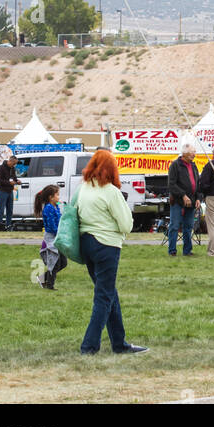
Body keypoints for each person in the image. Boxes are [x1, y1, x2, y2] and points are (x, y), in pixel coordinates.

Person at [76, 148, 147, 354]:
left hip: (86, 243)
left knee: (108, 294)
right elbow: (126, 224)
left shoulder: (84, 188)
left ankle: (119, 343)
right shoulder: (111, 192)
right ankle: (89, 346)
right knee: (104, 297)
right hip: (106, 245)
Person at [167, 141, 200, 258]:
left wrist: (198, 198)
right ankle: (172, 250)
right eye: (192, 152)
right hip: (177, 201)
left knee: (188, 227)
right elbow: (171, 184)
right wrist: (183, 195)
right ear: (185, 153)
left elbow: (197, 183)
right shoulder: (175, 165)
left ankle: (187, 250)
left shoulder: (194, 166)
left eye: (195, 152)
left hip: (191, 201)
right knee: (174, 225)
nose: (194, 154)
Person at [34, 184, 67, 290]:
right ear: (50, 197)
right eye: (57, 195)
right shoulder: (48, 208)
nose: (59, 197)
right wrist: (60, 231)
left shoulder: (56, 206)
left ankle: (42, 277)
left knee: (63, 263)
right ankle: (50, 286)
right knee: (55, 263)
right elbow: (52, 226)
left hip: (58, 237)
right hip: (51, 238)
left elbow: (60, 220)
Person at [0, 153, 18, 230]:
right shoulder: (1, 168)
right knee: (1, 209)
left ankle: (8, 225)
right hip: (2, 191)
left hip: (10, 191)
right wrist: (9, 183)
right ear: (10, 161)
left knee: (10, 209)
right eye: (14, 163)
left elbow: (14, 177)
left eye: (15, 164)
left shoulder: (12, 169)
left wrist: (17, 181)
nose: (14, 165)